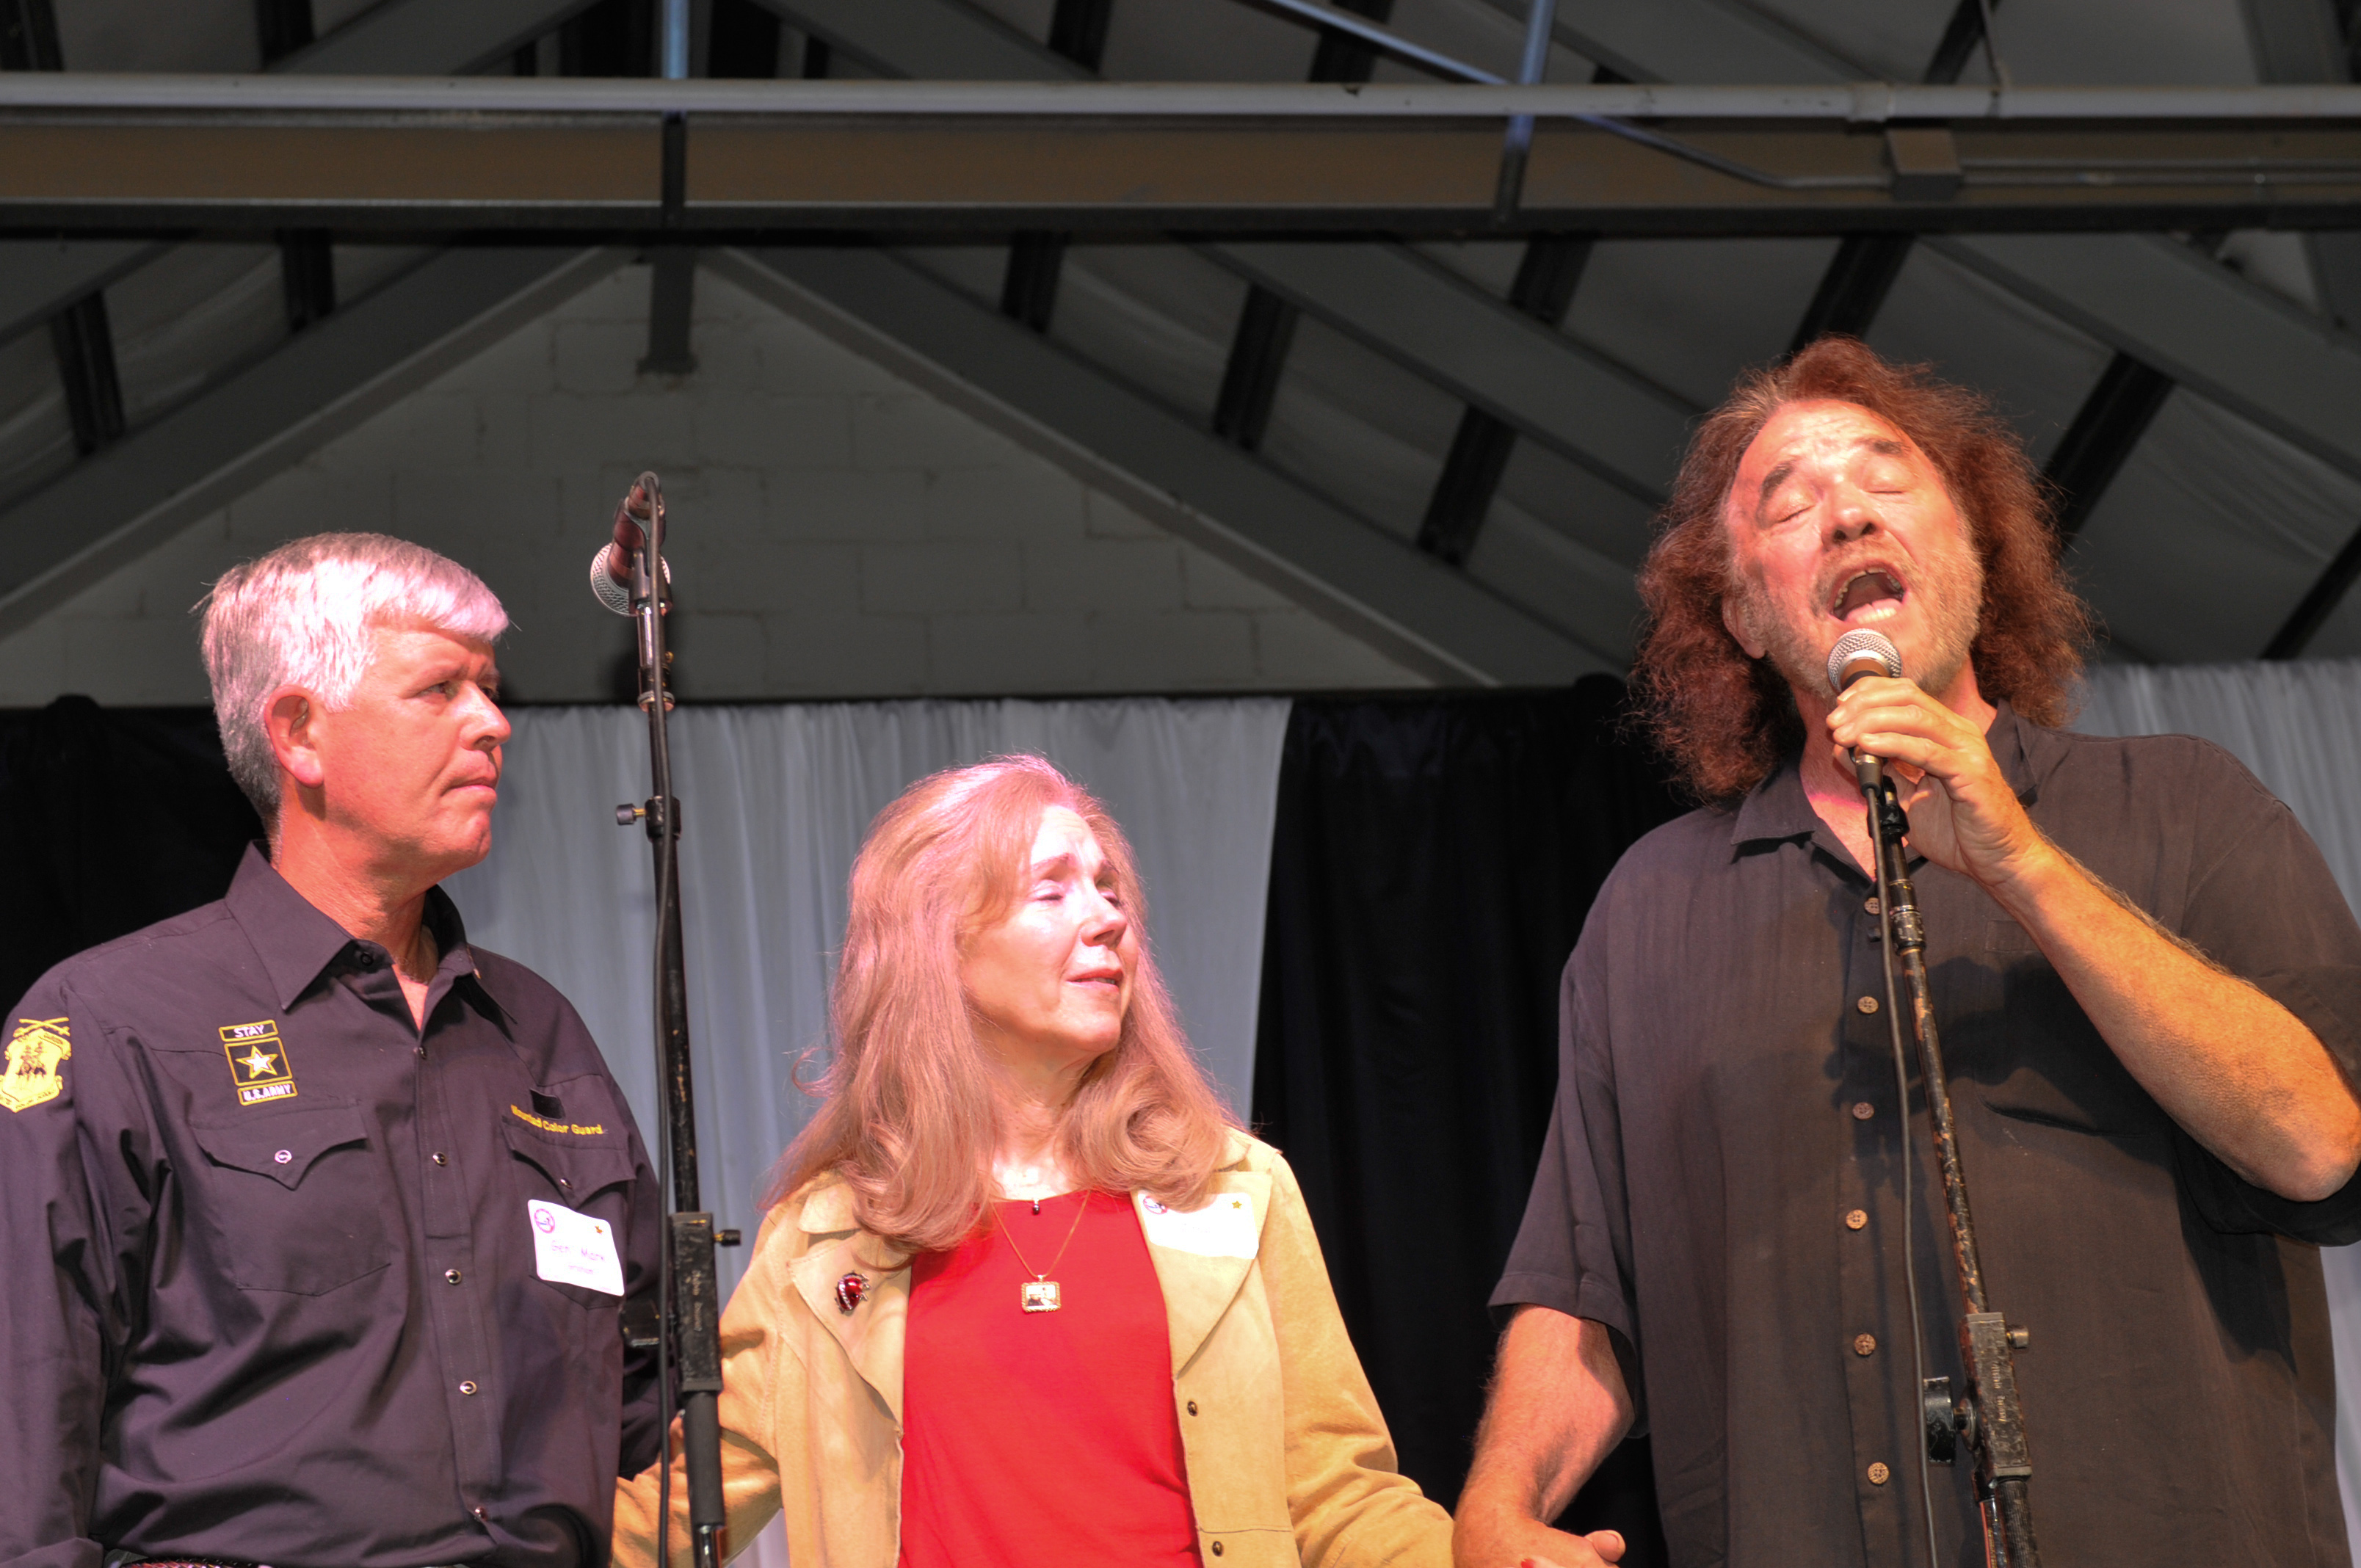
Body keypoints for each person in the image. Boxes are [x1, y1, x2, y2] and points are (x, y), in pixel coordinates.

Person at [1453, 338, 2361, 1568]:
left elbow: (2318, 1141)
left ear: (1976, 549)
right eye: (1790, 506)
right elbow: (1585, 1286)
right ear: (1743, 614)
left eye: (1887, 478)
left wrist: (2021, 864)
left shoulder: (2186, 806)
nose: (1846, 514)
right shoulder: (1649, 911)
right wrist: (1499, 1503)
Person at [0, 534, 662, 1568]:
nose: (493, 723)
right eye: (439, 689)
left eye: (490, 690)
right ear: (299, 734)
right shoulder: (108, 1021)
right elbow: (30, 1412)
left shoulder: (540, 1032)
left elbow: (650, 1411)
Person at [612, 755, 1452, 1568]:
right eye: (1052, 891)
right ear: (938, 947)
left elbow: (1341, 1496)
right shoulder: (827, 1232)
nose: (1109, 919)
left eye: (1109, 890)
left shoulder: (1232, 1190)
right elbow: (682, 1511)